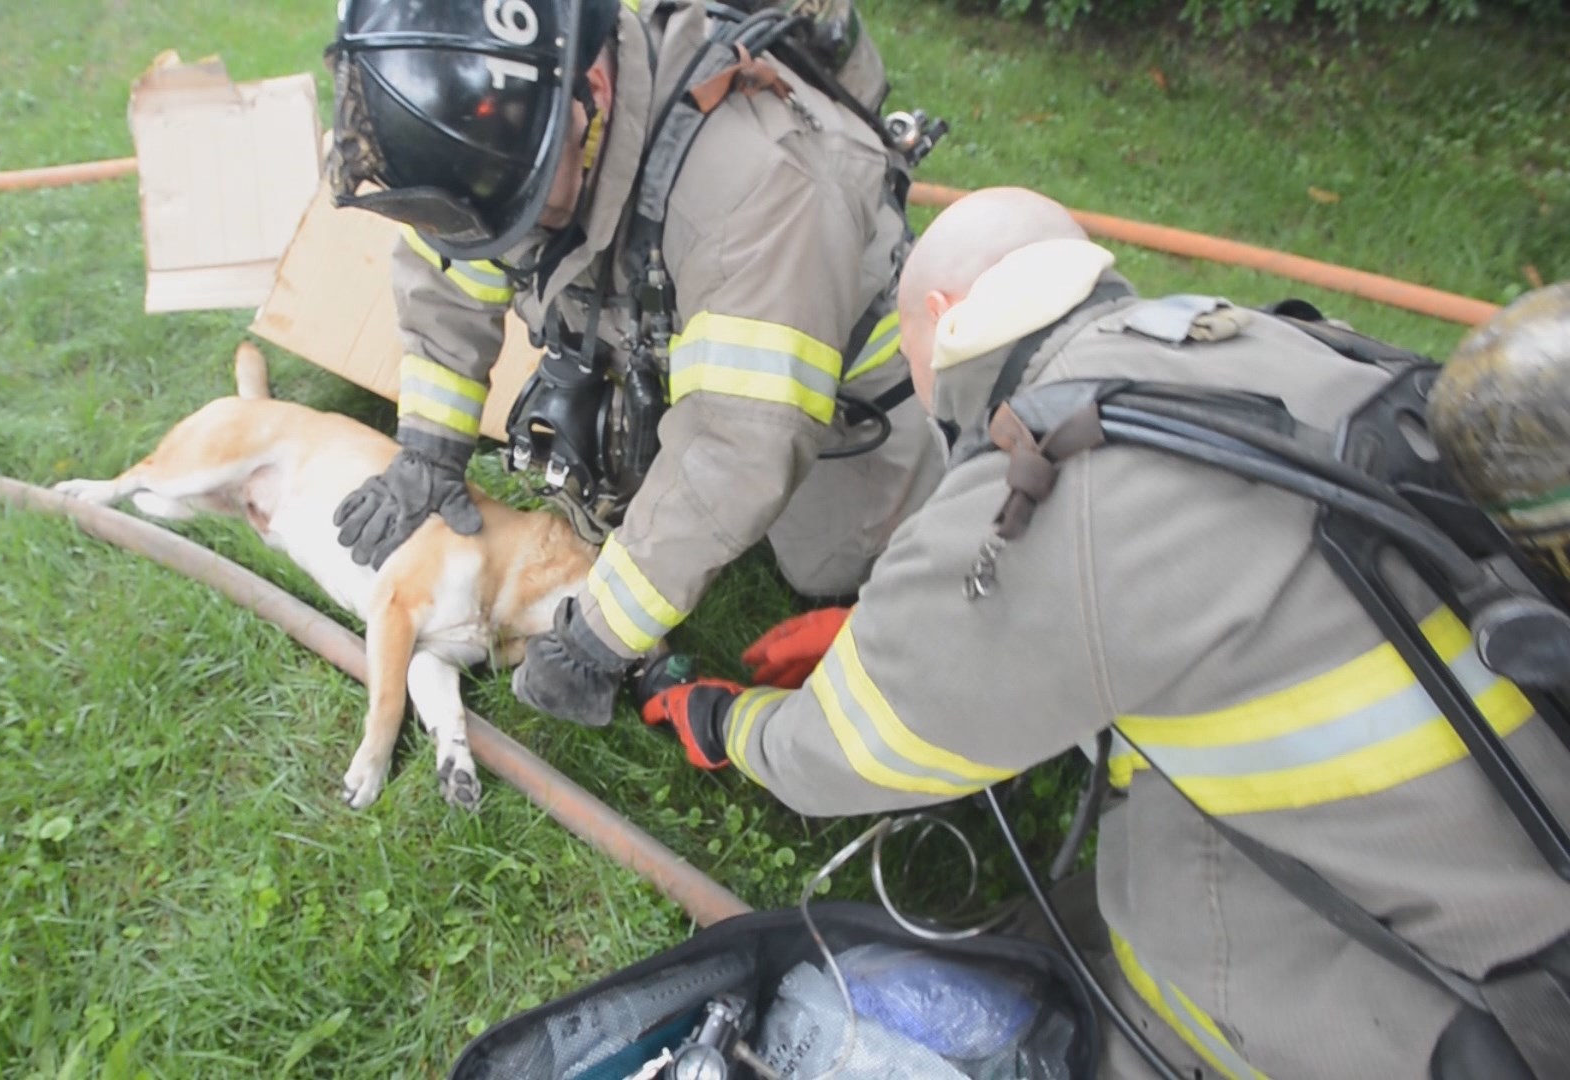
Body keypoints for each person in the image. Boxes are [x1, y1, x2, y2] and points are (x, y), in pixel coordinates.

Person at [639, 186, 1570, 1078]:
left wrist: (729, 723)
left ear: (938, 314)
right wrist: (863, 627)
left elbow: (841, 753)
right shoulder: (1251, 341)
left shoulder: (1048, 477)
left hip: (1484, 1001)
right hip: (1515, 831)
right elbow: (1178, 599)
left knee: (1118, 972)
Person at [322, 0, 947, 728]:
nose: (499, 233)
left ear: (596, 87)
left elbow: (738, 444)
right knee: (630, 467)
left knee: (828, 561)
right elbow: (451, 273)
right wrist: (429, 451)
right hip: (682, 321)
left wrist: (597, 635)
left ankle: (924, 477)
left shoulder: (757, 181)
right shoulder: (505, 146)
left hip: (836, 384)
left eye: (520, 206)